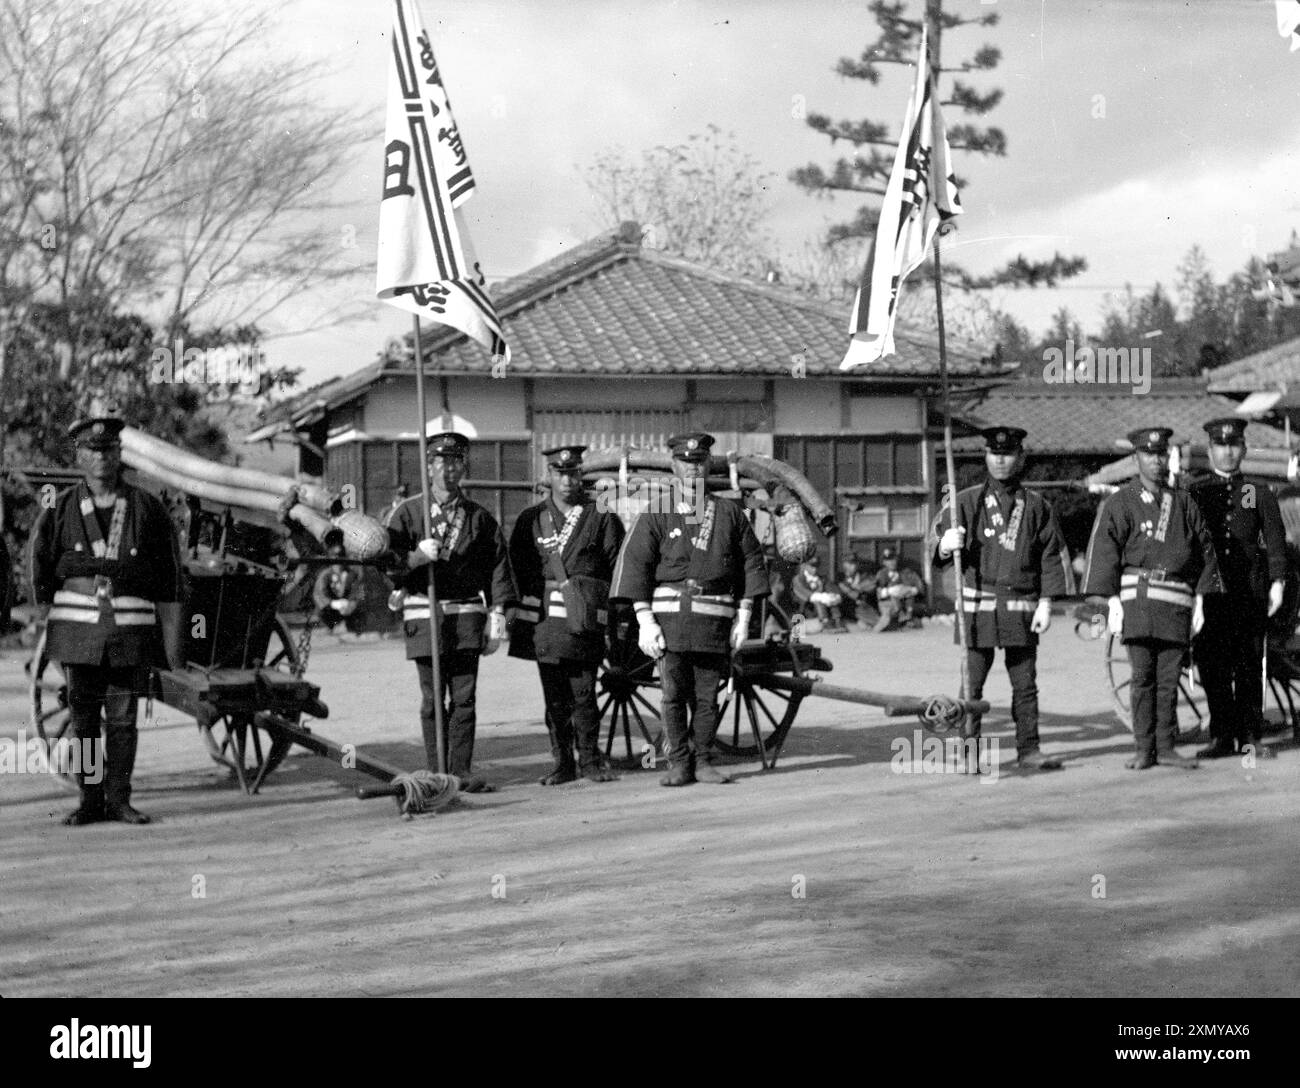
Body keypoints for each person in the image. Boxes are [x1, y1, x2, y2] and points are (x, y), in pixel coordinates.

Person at [28, 404, 184, 825]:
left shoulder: (147, 508)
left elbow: (169, 575)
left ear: (120, 455)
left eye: (110, 449)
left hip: (129, 632)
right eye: (92, 450)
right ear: (79, 456)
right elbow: (40, 568)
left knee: (122, 720)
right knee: (83, 721)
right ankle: (90, 802)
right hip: (77, 634)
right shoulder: (59, 509)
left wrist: (172, 644)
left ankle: (119, 800)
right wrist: (48, 624)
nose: (102, 458)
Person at [611, 432, 768, 786]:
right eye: (686, 462)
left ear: (708, 465)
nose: (693, 469)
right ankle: (679, 762)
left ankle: (703, 760)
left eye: (699, 463)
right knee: (672, 695)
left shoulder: (730, 512)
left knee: (707, 696)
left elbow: (752, 565)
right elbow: (636, 564)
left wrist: (743, 618)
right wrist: (644, 619)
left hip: (714, 618)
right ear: (673, 466)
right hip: (669, 620)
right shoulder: (656, 512)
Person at [933, 426, 1075, 772]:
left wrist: (1046, 603)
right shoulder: (964, 501)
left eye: (1008, 454)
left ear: (1020, 457)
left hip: (1020, 605)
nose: (1000, 460)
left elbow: (1051, 555)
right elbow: (935, 548)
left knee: (1025, 685)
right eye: (994, 454)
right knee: (972, 685)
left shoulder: (1038, 506)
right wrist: (944, 544)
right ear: (985, 456)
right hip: (977, 606)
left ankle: (1029, 749)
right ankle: (969, 752)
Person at [1084, 427, 1221, 770]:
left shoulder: (1185, 501)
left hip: (1176, 602)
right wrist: (1111, 602)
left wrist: (1202, 599)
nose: (1156, 461)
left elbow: (1205, 550)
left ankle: (1167, 746)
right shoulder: (1121, 502)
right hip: (1139, 601)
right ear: (1136, 459)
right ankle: (1144, 748)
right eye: (1149, 454)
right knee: (1142, 676)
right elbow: (1105, 551)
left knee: (1168, 678)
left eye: (1162, 455)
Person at [385, 432, 515, 793]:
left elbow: (498, 569)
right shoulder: (408, 512)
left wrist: (498, 618)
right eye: (441, 462)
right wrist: (414, 557)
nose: (448, 469)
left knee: (464, 698)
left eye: (456, 462)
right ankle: (436, 768)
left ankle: (461, 770)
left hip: (467, 618)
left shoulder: (479, 517)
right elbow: (386, 564)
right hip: (424, 617)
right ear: (428, 467)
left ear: (464, 467)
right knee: (431, 699)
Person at [508, 444, 624, 784]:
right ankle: (562, 763)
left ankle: (590, 761)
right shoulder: (532, 519)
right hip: (546, 623)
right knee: (554, 698)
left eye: (573, 473)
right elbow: (519, 568)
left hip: (584, 619)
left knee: (585, 693)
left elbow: (616, 565)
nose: (568, 480)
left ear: (581, 475)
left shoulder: (601, 514)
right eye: (560, 473)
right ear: (549, 476)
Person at [1188, 417, 1288, 760]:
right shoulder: (1196, 492)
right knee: (1212, 665)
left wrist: (1278, 581)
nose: (1227, 452)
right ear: (1210, 450)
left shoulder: (1256, 492)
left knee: (1248, 664)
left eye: (1234, 446)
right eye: (1220, 446)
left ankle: (1250, 736)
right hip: (1211, 591)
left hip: (1248, 592)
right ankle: (1221, 736)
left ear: (1243, 449)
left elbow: (1274, 540)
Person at [311, 529, 365, 638]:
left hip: (348, 608)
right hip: (331, 609)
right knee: (323, 612)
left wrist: (352, 604)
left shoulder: (352, 574)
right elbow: (319, 594)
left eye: (340, 555)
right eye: (335, 556)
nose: (338, 559)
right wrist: (333, 604)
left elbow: (359, 591)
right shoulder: (326, 575)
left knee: (358, 614)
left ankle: (351, 629)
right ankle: (329, 628)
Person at [872, 547, 924, 631]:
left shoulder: (905, 572)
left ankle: (905, 619)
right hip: (887, 604)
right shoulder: (881, 574)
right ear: (884, 562)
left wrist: (909, 590)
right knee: (886, 617)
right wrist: (890, 591)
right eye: (888, 560)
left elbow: (919, 587)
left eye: (893, 559)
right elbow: (877, 593)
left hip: (905, 604)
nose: (892, 562)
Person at [791, 554, 845, 631]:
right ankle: (825, 622)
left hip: (821, 611)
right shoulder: (798, 579)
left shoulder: (821, 579)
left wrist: (834, 596)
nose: (815, 569)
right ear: (805, 566)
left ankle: (837, 620)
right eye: (812, 566)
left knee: (831, 599)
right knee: (818, 600)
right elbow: (805, 594)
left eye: (816, 566)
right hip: (805, 611)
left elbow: (831, 587)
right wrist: (822, 597)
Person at [837, 552, 876, 631]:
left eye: (853, 564)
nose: (852, 566)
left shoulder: (864, 576)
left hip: (863, 609)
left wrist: (854, 589)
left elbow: (870, 586)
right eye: (849, 564)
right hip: (847, 611)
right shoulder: (840, 578)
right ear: (844, 565)